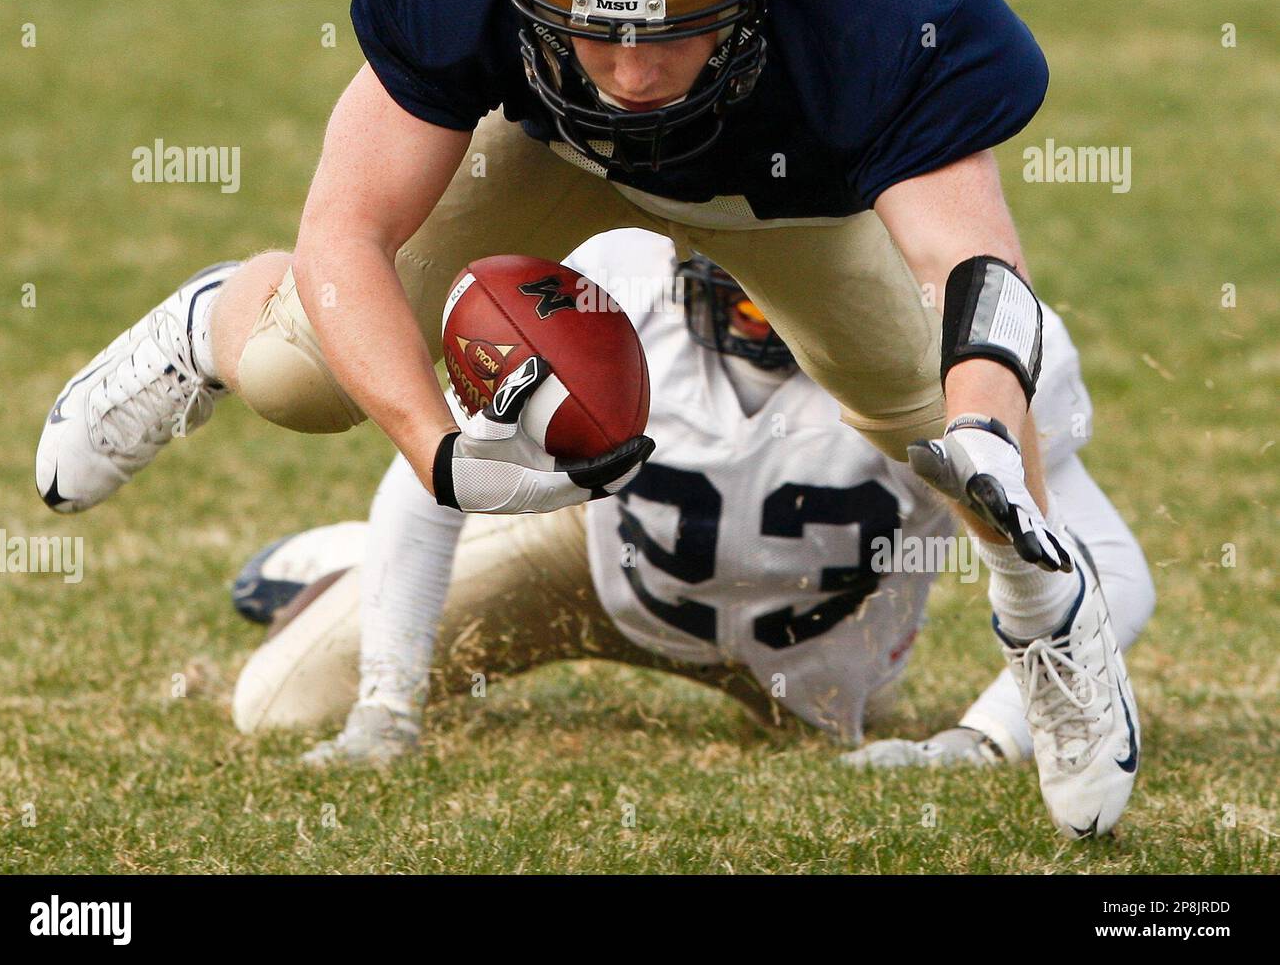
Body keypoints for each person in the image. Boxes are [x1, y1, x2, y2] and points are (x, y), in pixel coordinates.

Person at [36, 0, 1138, 836]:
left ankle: (1053, 631)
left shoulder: (894, 4)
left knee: (950, 434)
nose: (627, 72)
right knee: (299, 372)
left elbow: (976, 277)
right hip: (544, 147)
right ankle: (200, 326)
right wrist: (434, 450)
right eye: (591, 29)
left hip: (785, 198)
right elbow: (347, 232)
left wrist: (989, 423)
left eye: (667, 31)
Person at [228, 230, 1153, 795]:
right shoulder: (615, 279)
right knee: (273, 706)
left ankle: (339, 565)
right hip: (581, 568)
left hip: (818, 670)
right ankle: (344, 565)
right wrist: (388, 707)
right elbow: (438, 483)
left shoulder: (967, 346)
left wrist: (982, 740)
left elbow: (1102, 563)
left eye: (798, 286)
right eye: (753, 283)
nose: (769, 313)